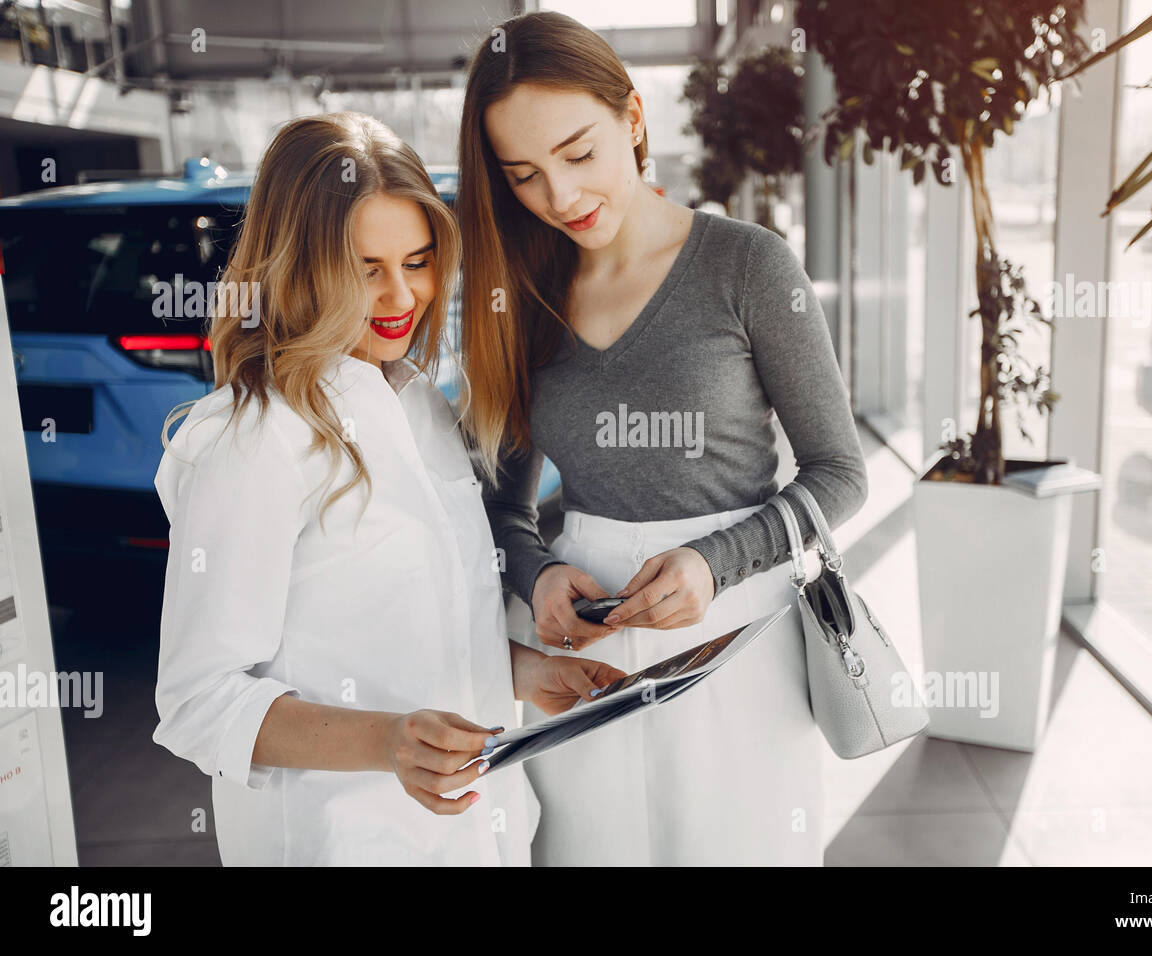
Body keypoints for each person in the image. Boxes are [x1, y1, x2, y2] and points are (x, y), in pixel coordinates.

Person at [152, 112, 623, 866]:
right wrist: (388, 743)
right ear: (298, 265)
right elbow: (197, 699)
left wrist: (531, 671)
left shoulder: (417, 404)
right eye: (364, 266)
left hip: (477, 832)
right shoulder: (255, 439)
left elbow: (424, 626)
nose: (400, 294)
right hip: (343, 841)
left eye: (419, 259)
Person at [455, 12, 869, 865]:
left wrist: (714, 561)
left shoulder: (747, 267)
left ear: (633, 120)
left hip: (737, 630)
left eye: (579, 154)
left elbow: (839, 475)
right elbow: (503, 511)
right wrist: (537, 580)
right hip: (580, 650)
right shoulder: (523, 297)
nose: (561, 198)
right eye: (525, 175)